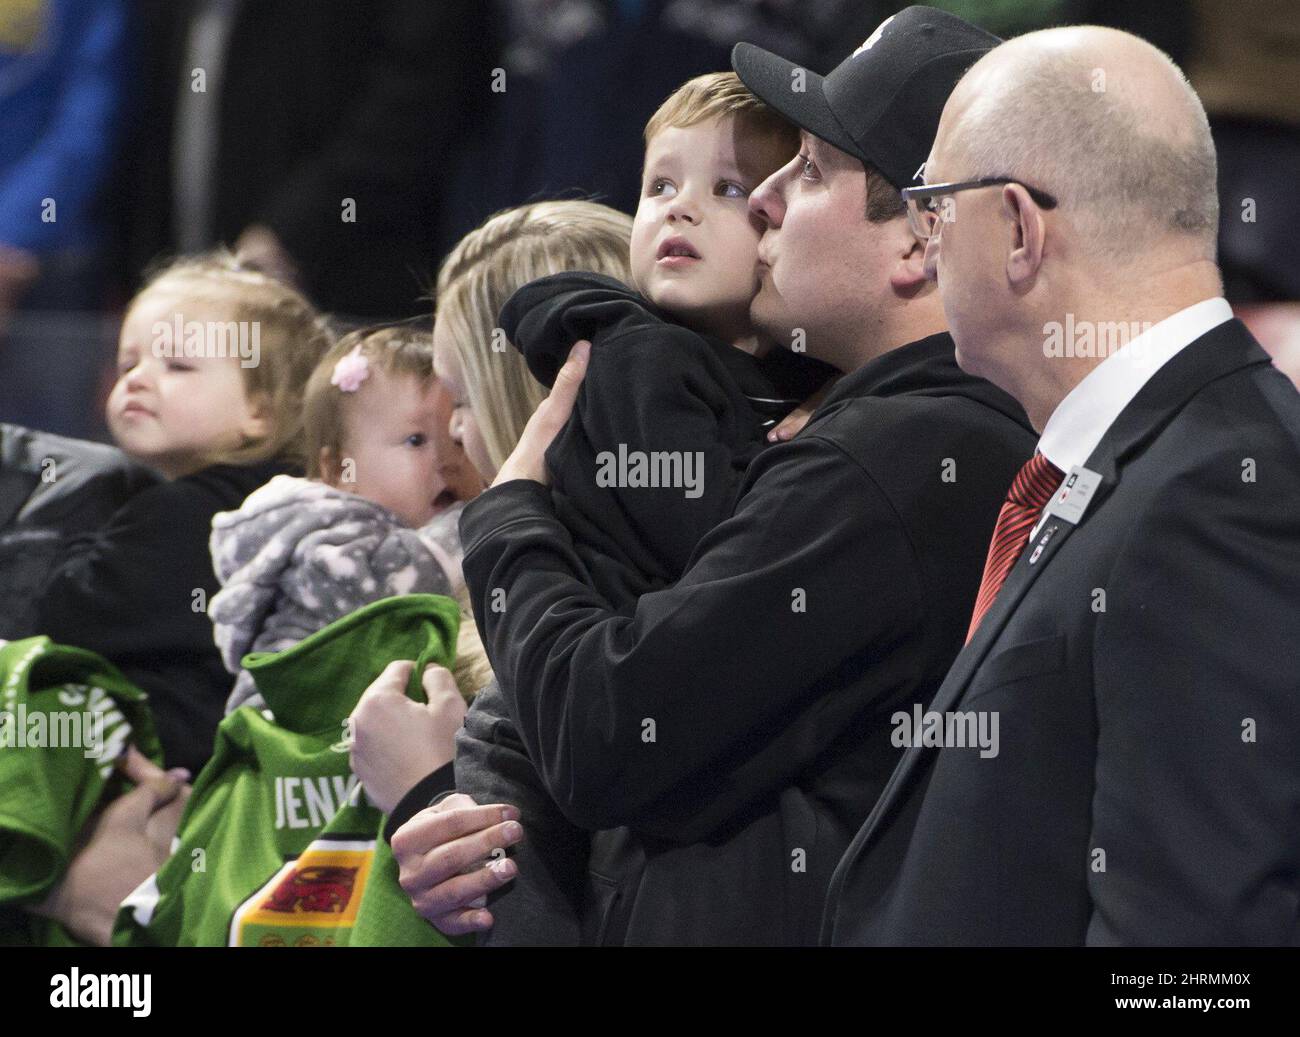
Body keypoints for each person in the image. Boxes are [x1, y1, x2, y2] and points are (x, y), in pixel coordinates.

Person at [388, 8, 1037, 945]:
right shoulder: (852, 428)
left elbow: (607, 734)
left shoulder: (889, 462)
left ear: (917, 240)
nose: (764, 201)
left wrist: (511, 518)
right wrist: (461, 820)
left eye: (807, 169)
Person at [824, 26, 1300, 946]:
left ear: (1018, 228)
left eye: (932, 205)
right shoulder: (1146, 462)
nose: (924, 245)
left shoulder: (1217, 495)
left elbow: (1196, 965)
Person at [346, 199, 636, 840]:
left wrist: (429, 792)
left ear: (530, 399)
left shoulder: (596, 613)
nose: (454, 431)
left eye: (464, 399)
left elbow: (553, 880)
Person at [500, 70, 834, 605]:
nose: (679, 208)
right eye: (660, 186)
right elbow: (721, 550)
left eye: (728, 189)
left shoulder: (813, 370)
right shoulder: (639, 357)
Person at [28, 252, 334, 773]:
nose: (138, 380)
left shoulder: (185, 514)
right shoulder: (304, 502)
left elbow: (65, 614)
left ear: (261, 410)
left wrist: (74, 537)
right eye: (129, 364)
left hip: (180, 771)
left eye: (178, 366)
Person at [208, 325, 483, 714]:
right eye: (416, 440)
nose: (448, 460)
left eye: (457, 439)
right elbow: (399, 583)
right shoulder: (329, 537)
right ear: (340, 469)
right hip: (285, 733)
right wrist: (486, 512)